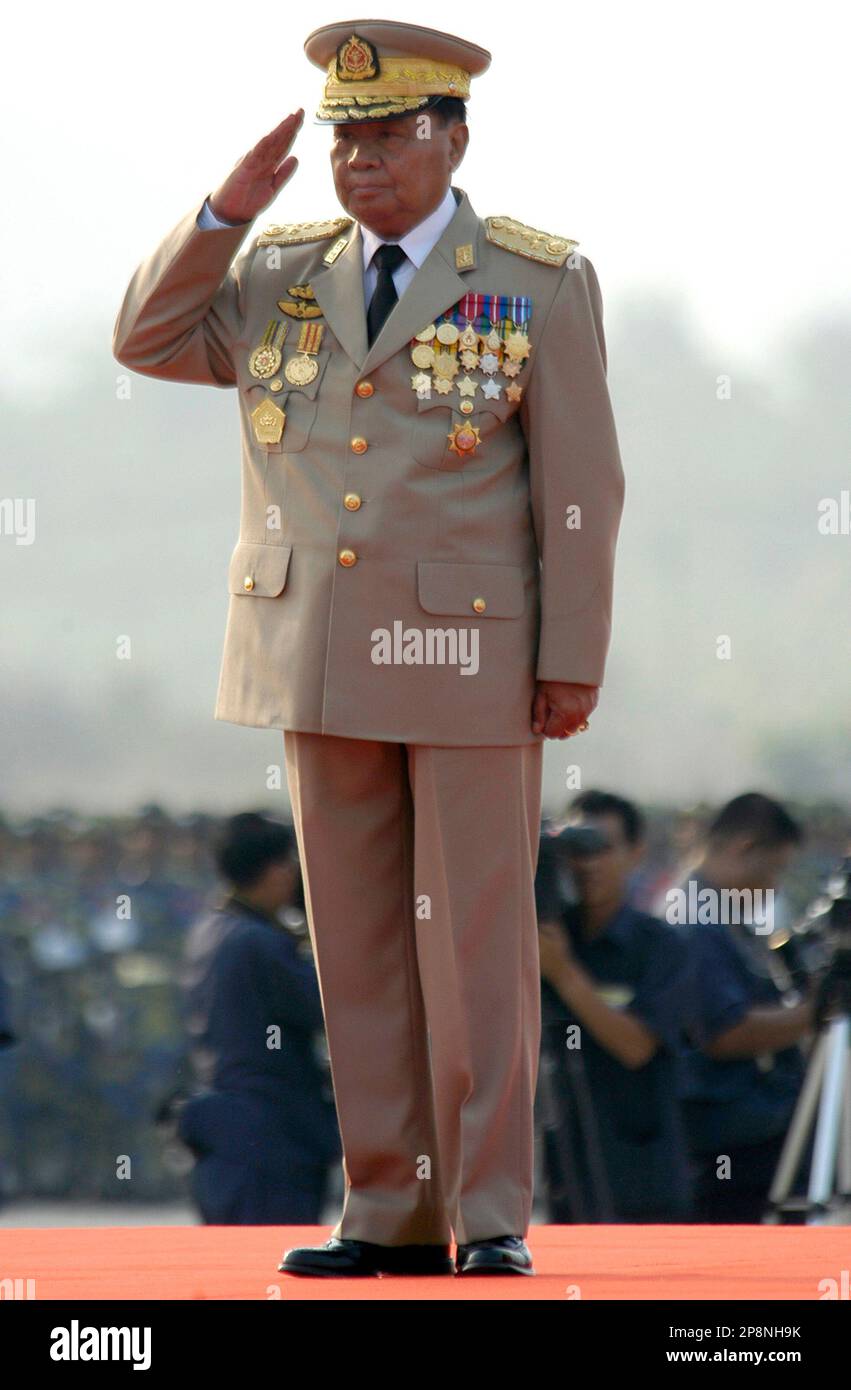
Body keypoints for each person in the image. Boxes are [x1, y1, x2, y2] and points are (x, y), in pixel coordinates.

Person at [112, 19, 624, 1276]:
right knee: (355, 949)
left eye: (389, 136)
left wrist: (570, 656)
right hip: (317, 653)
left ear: (454, 139)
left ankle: (488, 1210)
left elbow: (580, 487)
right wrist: (225, 210)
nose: (361, 161)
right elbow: (147, 337)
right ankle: (388, 1206)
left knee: (475, 950)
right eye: (345, 139)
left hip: (467, 661)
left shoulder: (537, 280)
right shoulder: (279, 269)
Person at [536, 791, 694, 1222]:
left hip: (642, 1175)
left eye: (601, 848)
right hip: (563, 1170)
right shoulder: (546, 937)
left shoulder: (660, 945)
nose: (587, 864)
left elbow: (637, 1046)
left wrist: (565, 974)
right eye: (576, 850)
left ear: (635, 853)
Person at [178, 814, 340, 1224]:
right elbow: (333, 1008)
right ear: (275, 870)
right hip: (272, 1136)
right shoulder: (259, 943)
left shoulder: (212, 929)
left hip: (229, 1129)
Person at [670, 793, 817, 1221]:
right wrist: (814, 1013)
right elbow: (725, 1032)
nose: (775, 886)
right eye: (774, 869)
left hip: (745, 1130)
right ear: (744, 848)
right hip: (727, 1139)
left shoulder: (720, 914)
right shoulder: (696, 919)